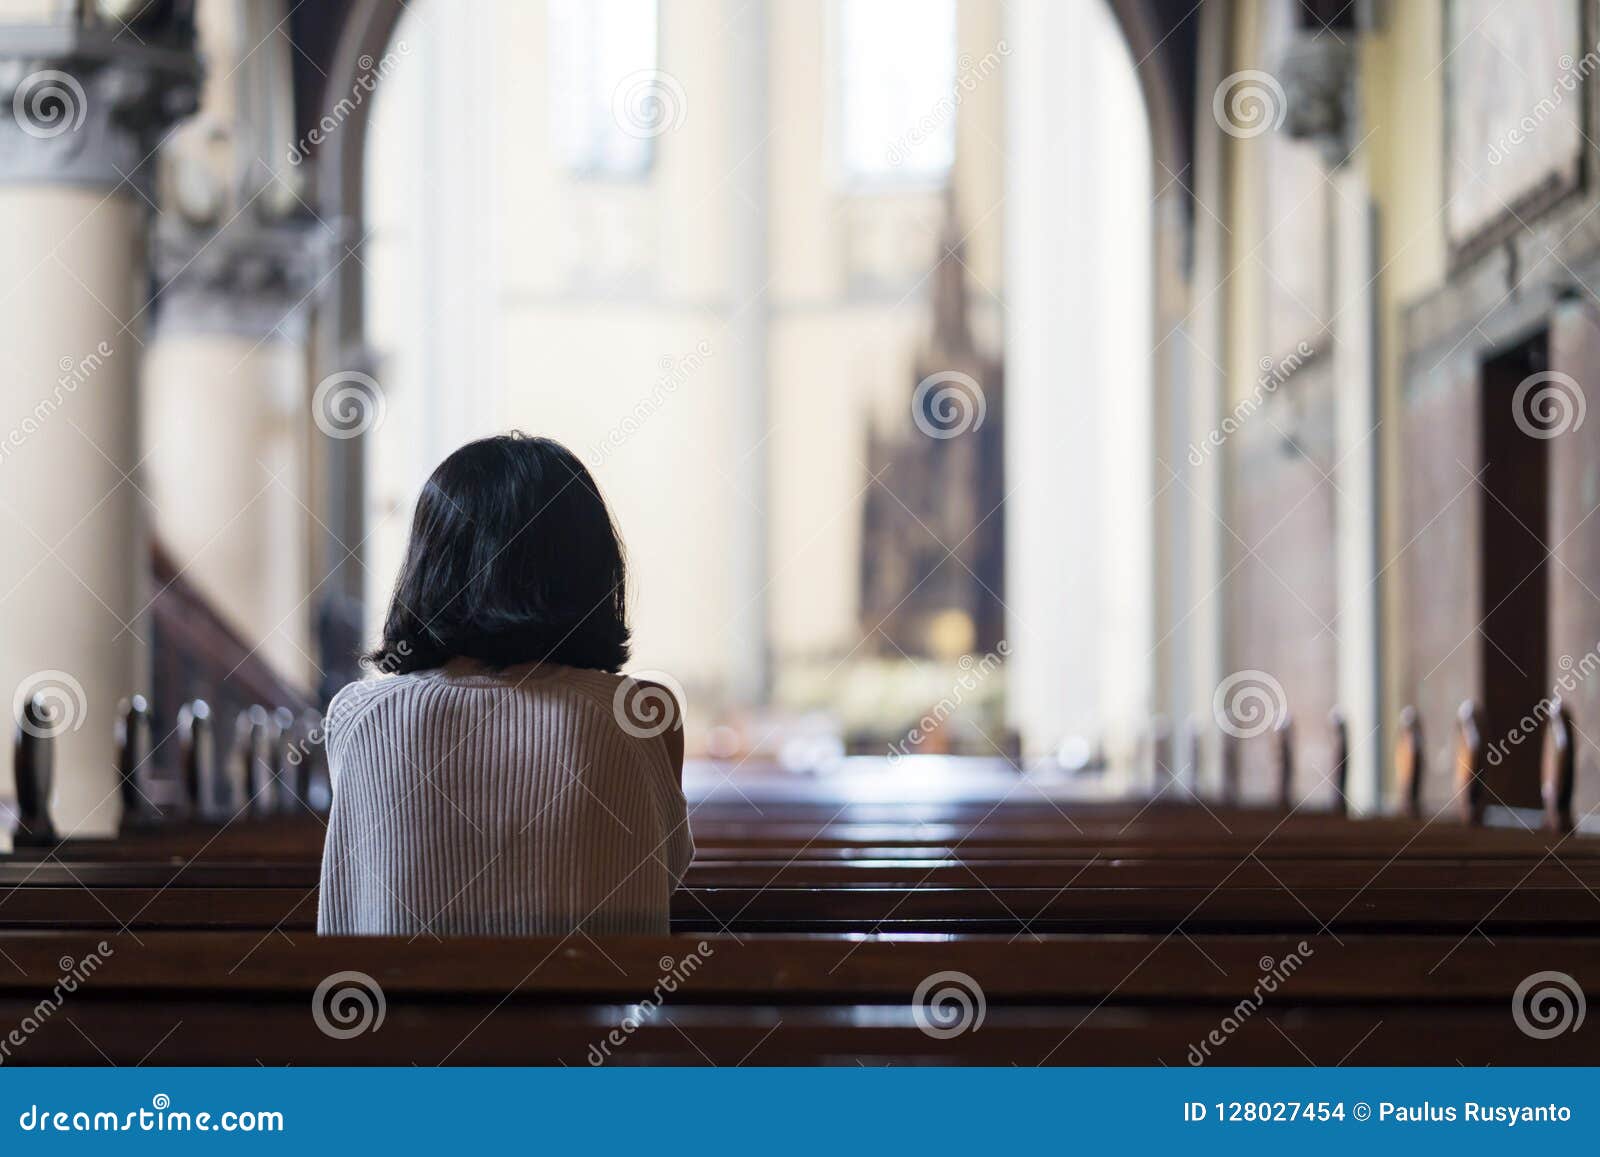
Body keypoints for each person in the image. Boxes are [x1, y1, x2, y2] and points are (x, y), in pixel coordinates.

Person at [317, 433, 693, 936]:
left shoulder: (357, 717)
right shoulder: (644, 715)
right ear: (591, 568)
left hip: (390, 1015)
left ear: (430, 567)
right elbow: (651, 875)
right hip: (601, 1014)